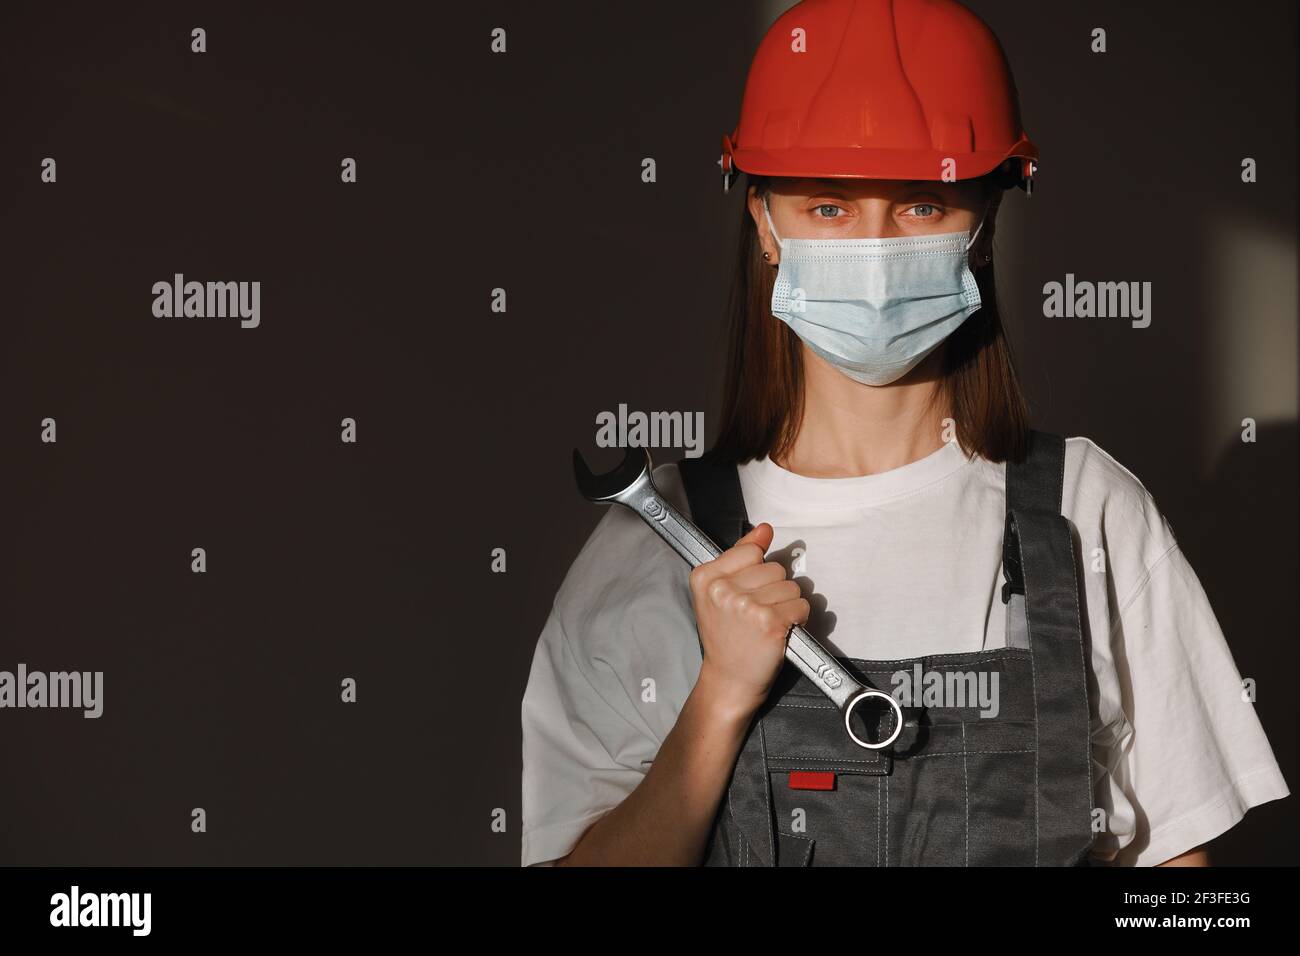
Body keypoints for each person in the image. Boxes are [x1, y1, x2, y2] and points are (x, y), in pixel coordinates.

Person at [519, 0, 1289, 867]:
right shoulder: (658, 540)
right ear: (763, 221)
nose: (877, 252)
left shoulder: (1088, 509)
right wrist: (719, 699)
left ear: (986, 224)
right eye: (830, 209)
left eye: (922, 207)